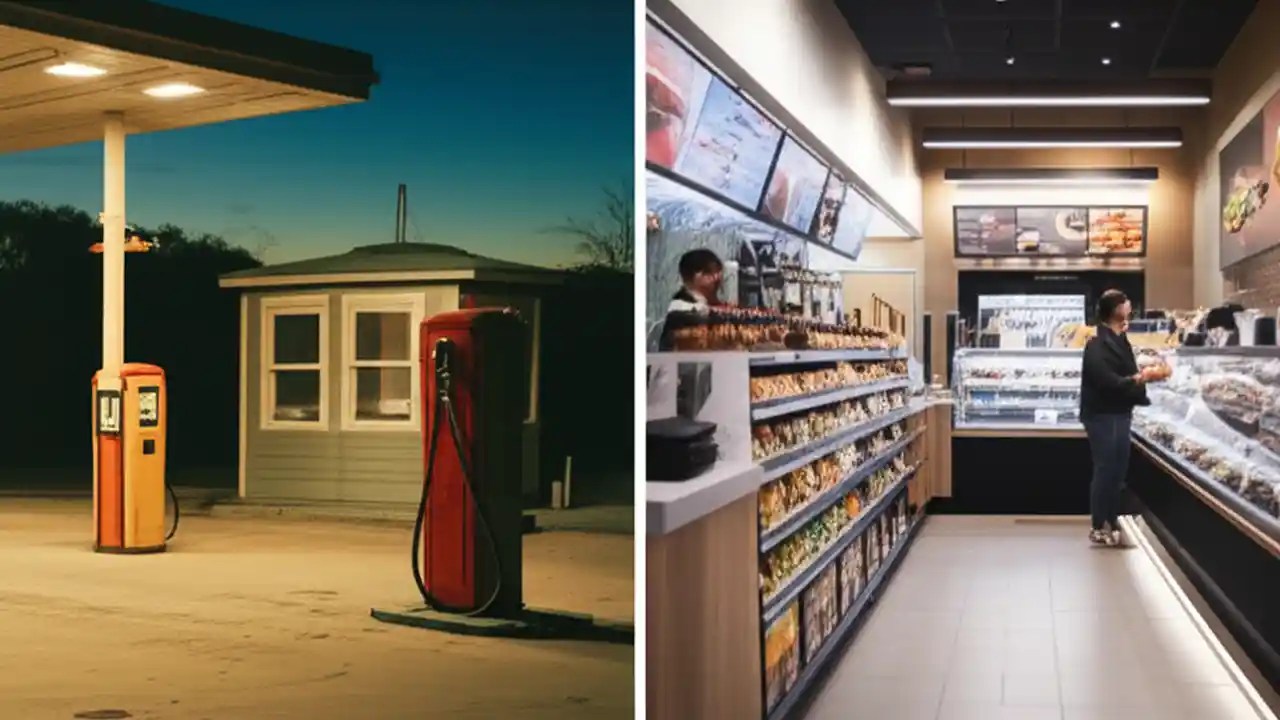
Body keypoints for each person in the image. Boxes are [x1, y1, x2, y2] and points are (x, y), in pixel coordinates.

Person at [1080, 289, 1161, 546]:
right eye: (1125, 303)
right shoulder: (1096, 343)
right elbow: (1104, 379)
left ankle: (1112, 519)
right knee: (1106, 469)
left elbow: (1126, 371)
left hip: (1120, 412)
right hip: (1102, 414)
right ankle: (1098, 524)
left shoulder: (1120, 338)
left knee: (1118, 470)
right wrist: (1137, 379)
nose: (1129, 306)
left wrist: (1142, 376)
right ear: (1115, 310)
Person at [658, 249, 724, 350]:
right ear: (694, 276)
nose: (717, 278)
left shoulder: (708, 304)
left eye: (718, 271)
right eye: (709, 272)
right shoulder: (680, 308)